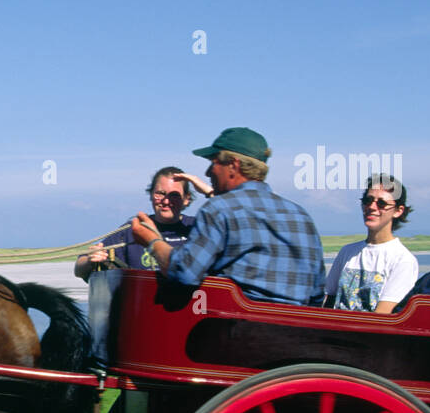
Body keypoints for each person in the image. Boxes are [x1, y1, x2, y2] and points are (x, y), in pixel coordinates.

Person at [131, 127, 326, 306]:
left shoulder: (218, 209)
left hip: (237, 333)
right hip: (295, 337)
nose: (208, 172)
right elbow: (316, 295)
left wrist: (152, 241)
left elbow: (185, 272)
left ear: (233, 165)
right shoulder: (302, 216)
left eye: (213, 163)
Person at [75, 167, 196, 364]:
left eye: (174, 195)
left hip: (184, 331)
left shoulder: (197, 229)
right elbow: (79, 269)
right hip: (140, 334)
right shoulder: (133, 230)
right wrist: (90, 260)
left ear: (187, 199)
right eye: (160, 193)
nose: (166, 201)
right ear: (151, 195)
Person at [325, 174, 418, 313]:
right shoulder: (347, 252)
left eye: (381, 203)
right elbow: (327, 299)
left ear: (398, 211)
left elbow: (382, 317)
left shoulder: (403, 261)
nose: (372, 207)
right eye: (368, 200)